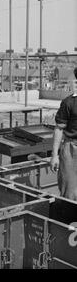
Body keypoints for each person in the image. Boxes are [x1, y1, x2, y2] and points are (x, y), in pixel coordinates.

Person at [50, 68, 77, 201]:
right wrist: (54, 156)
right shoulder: (68, 103)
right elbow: (59, 129)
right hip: (71, 150)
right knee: (69, 191)